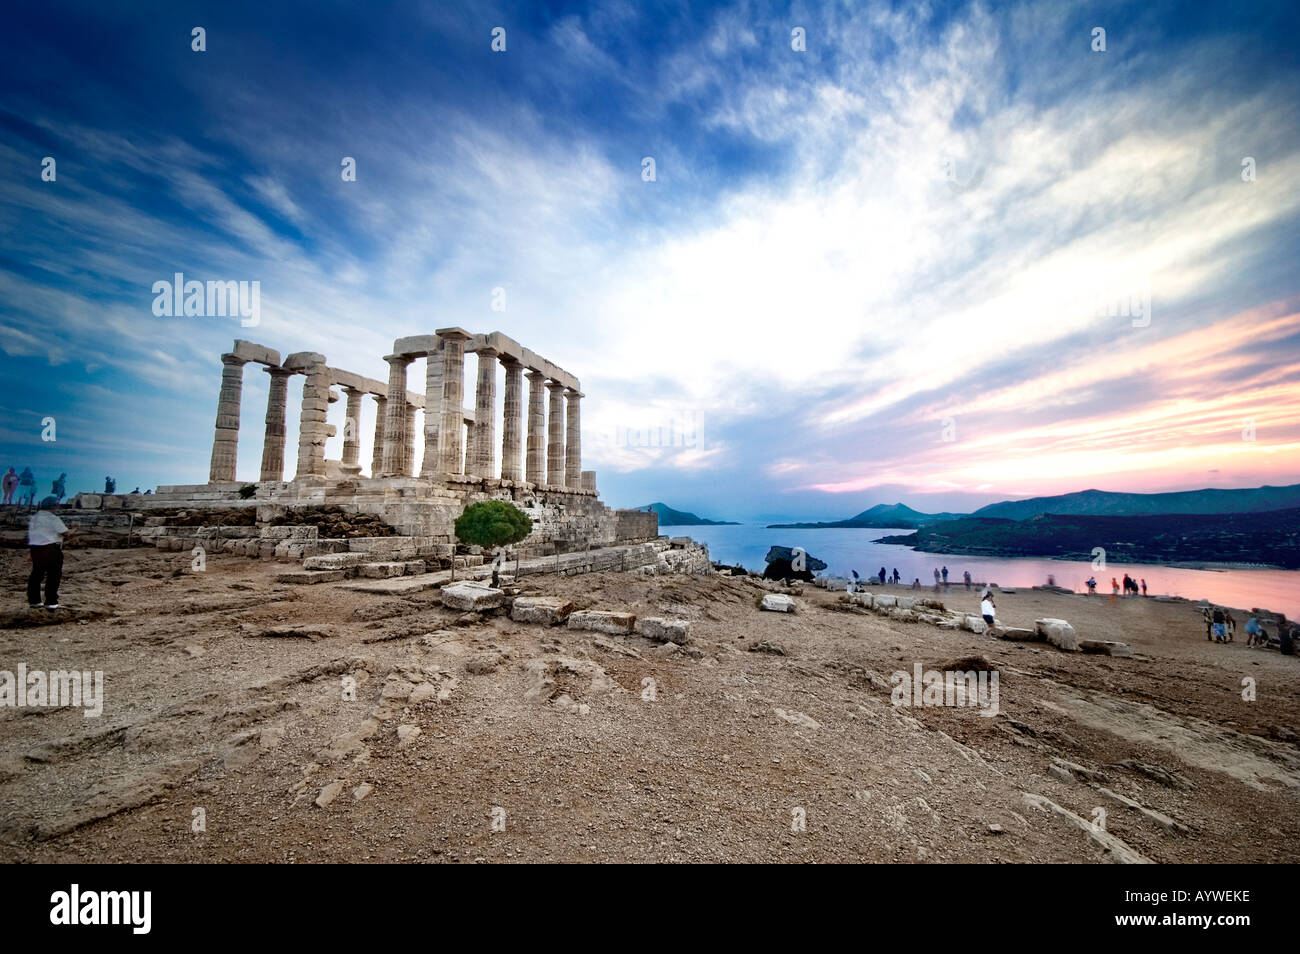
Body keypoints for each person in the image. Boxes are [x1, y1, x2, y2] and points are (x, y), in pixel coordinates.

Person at [27, 498, 73, 609]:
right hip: (51, 548)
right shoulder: (53, 518)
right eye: (56, 506)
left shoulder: (35, 518)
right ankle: (51, 601)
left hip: (36, 548)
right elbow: (66, 533)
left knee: (36, 575)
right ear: (51, 506)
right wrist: (75, 529)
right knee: (53, 575)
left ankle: (34, 600)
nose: (57, 508)